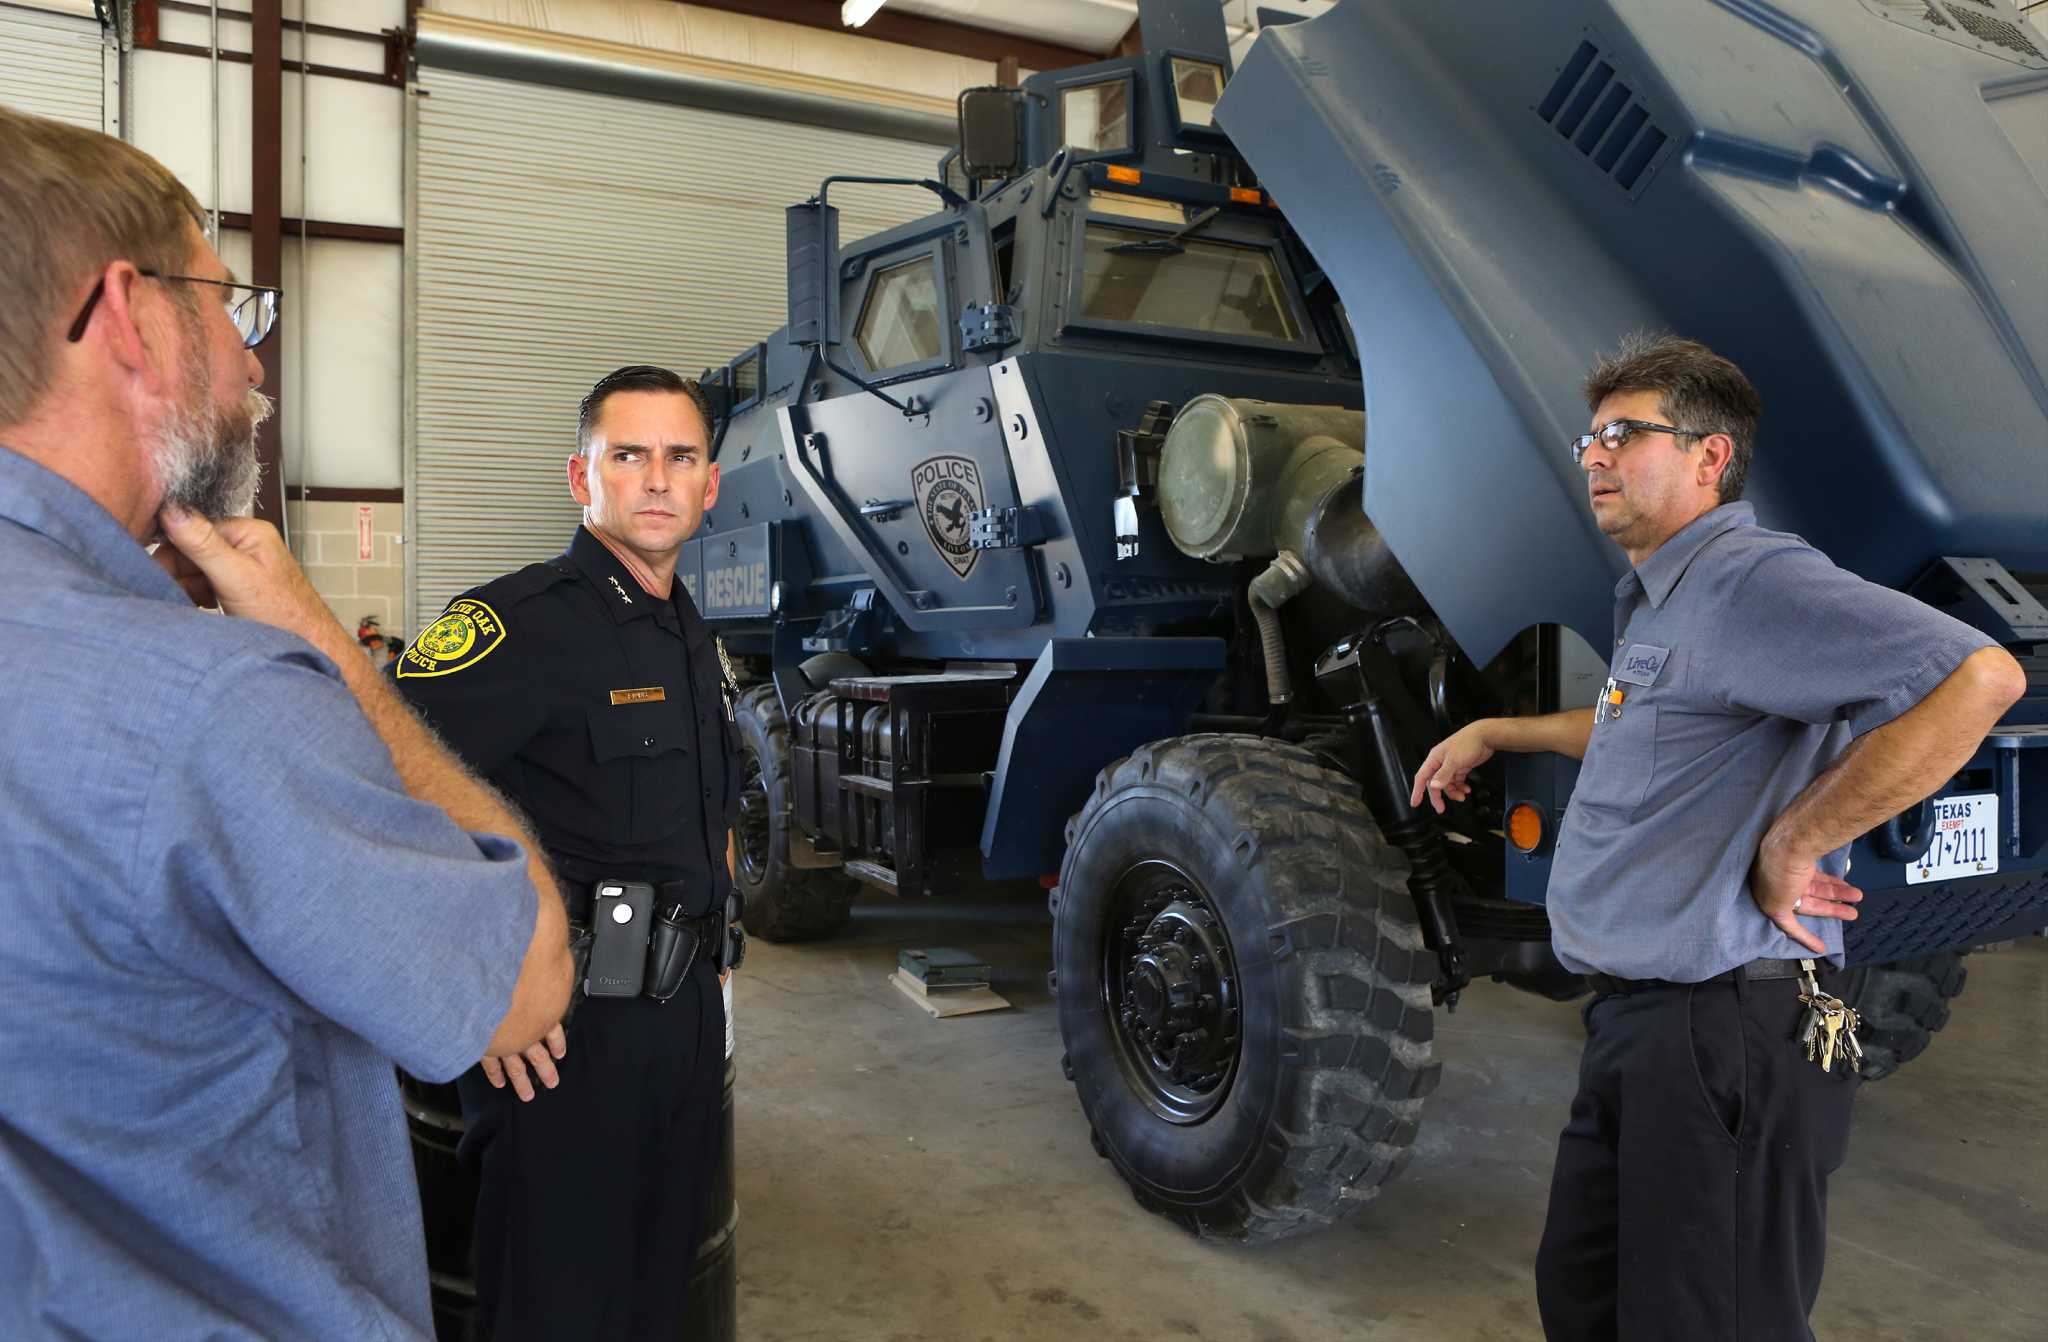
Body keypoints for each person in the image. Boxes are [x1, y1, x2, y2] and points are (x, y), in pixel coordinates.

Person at [0, 107, 573, 1339]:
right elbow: (526, 972)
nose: (254, 363)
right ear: (128, 314)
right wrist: (321, 648)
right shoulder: (211, 707)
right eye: (226, 305)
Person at [1409, 334, 2026, 1341]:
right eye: (1588, 437)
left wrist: (1795, 839)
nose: (1594, 457)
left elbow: (1978, 677)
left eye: (1623, 434)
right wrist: (1494, 729)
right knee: (1587, 1299)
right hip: (1638, 1029)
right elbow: (1641, 723)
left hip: (1720, 1030)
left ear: (1708, 457)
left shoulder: (1748, 580)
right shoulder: (1668, 602)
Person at [392, 364, 743, 1340]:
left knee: (655, 1292)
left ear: (710, 484)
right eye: (626, 455)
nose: (656, 479)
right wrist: (474, 979)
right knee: (558, 1310)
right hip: (561, 1044)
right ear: (580, 477)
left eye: (679, 457)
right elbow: (376, 770)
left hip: (677, 1021)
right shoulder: (520, 626)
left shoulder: (686, 630)